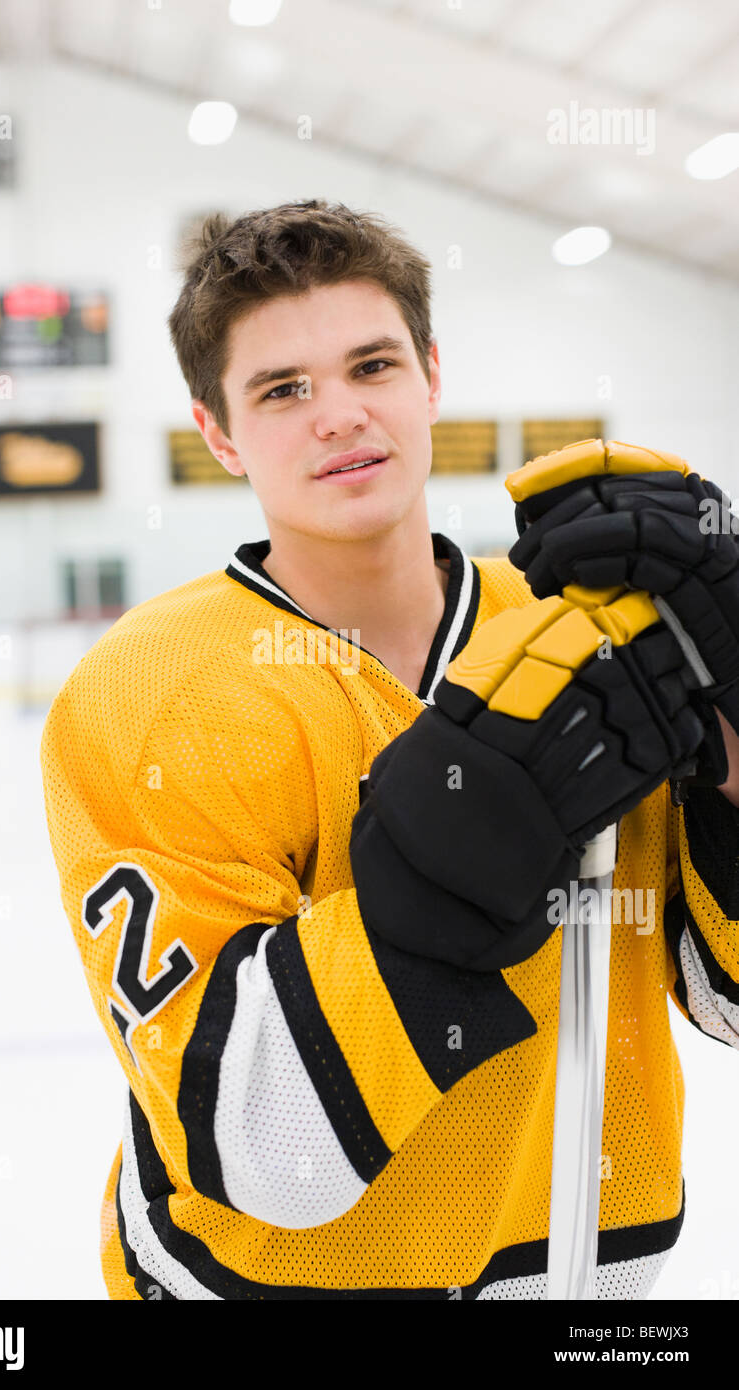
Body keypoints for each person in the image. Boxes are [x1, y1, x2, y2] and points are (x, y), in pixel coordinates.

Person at [40, 198, 739, 1300]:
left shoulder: (588, 629)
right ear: (217, 432)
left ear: (429, 378)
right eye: (282, 390)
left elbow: (725, 999)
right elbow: (263, 1147)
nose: (338, 415)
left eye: (371, 365)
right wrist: (444, 885)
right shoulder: (148, 696)